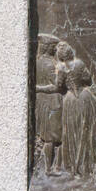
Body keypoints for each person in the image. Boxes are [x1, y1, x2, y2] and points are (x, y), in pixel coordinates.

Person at [57, 41, 96, 179]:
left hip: (70, 101)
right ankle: (91, 163)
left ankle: (75, 167)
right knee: (89, 128)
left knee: (73, 131)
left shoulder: (61, 68)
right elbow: (88, 80)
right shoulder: (79, 63)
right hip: (84, 97)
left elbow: (58, 85)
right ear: (71, 52)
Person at [34, 33, 65, 176]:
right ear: (48, 47)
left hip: (42, 102)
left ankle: (51, 168)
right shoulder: (49, 64)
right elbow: (57, 86)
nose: (55, 50)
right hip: (52, 103)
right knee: (52, 137)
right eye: (53, 47)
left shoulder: (39, 61)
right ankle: (49, 169)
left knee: (49, 136)